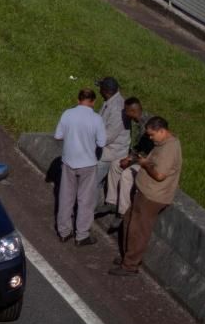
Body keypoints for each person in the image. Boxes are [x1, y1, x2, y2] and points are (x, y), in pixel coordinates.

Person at [112, 116, 181, 276]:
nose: (150, 138)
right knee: (129, 222)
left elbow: (159, 175)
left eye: (152, 134)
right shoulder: (162, 143)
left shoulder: (169, 150)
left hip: (153, 197)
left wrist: (144, 164)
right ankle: (128, 257)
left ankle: (130, 265)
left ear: (162, 131)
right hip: (145, 192)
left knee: (138, 230)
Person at [54, 88, 107, 246]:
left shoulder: (67, 114)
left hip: (68, 162)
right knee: (85, 200)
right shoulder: (97, 119)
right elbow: (102, 143)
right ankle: (81, 235)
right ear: (93, 101)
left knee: (65, 197)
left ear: (78, 100)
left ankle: (64, 231)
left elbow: (58, 136)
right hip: (88, 164)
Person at [105, 96, 146, 230]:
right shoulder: (137, 122)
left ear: (133, 111)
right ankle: (111, 201)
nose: (124, 113)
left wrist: (130, 159)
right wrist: (128, 157)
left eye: (126, 111)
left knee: (126, 175)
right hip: (136, 156)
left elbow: (146, 151)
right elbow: (138, 147)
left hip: (146, 162)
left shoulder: (146, 126)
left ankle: (122, 213)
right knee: (115, 165)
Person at [96, 77, 128, 208]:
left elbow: (107, 137)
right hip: (105, 148)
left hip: (110, 153)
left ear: (105, 91)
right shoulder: (111, 101)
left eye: (100, 88)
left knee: (92, 182)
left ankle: (89, 210)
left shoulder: (117, 109)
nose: (99, 91)